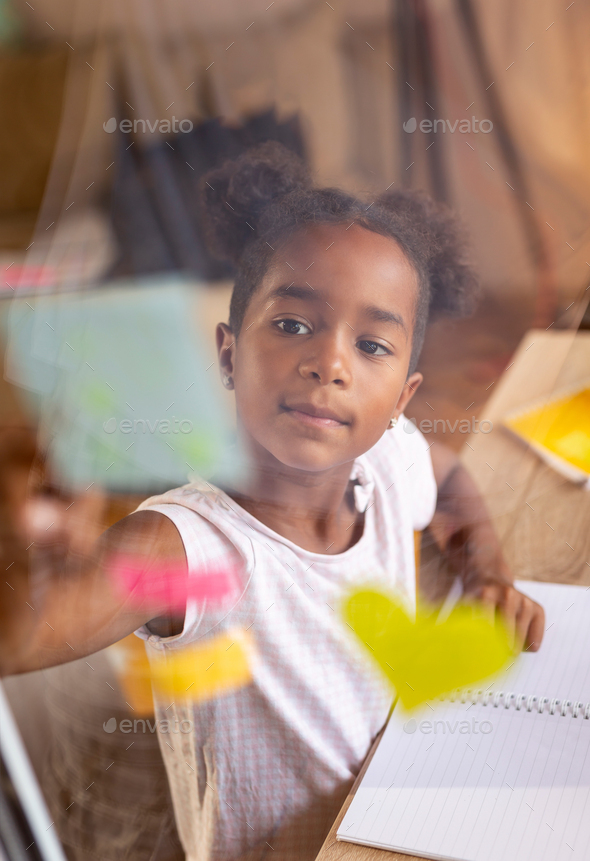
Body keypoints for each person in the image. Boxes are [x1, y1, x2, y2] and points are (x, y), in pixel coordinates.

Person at [0, 143, 545, 861]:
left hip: (388, 820)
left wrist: (487, 575)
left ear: (404, 399)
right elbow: (30, 628)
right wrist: (30, 555)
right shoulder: (191, 552)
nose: (331, 362)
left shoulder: (388, 461)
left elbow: (448, 480)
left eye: (374, 344)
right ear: (228, 354)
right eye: (293, 324)